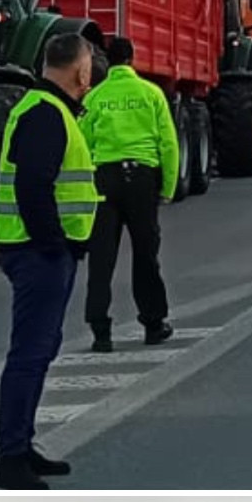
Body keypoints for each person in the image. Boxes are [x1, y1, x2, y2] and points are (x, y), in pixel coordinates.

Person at [0, 32, 97, 491]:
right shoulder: (46, 114)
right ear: (81, 70)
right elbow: (32, 185)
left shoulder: (45, 109)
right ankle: (10, 458)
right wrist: (55, 243)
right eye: (89, 65)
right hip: (37, 252)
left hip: (36, 249)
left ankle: (21, 445)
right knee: (29, 355)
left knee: (39, 351)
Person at [79, 35, 180, 354]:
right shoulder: (151, 94)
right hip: (141, 178)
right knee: (145, 253)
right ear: (133, 59)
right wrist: (167, 187)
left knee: (102, 257)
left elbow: (83, 143)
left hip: (103, 179)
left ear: (107, 60)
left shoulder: (95, 98)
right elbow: (168, 143)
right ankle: (153, 323)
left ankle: (100, 330)